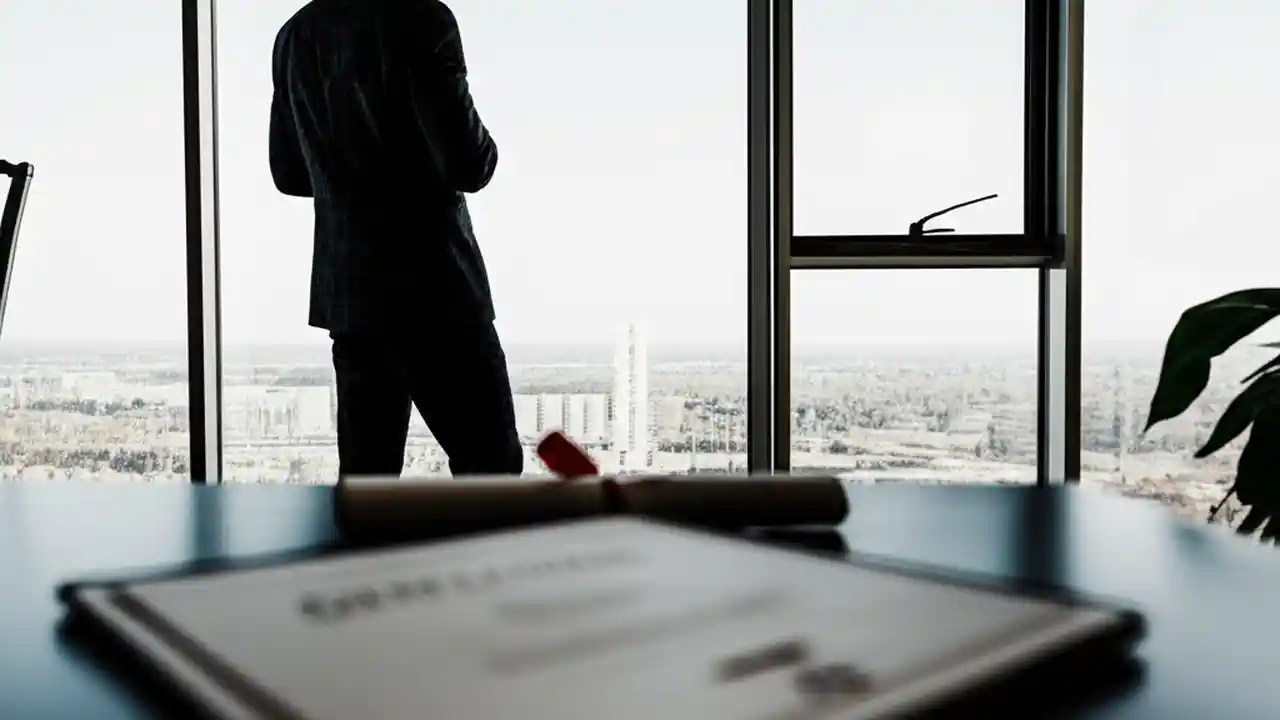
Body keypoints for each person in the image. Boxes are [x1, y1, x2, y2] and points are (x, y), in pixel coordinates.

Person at [269, 0, 522, 479]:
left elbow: (289, 173)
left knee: (368, 480)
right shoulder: (423, 19)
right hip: (436, 290)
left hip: (350, 297)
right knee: (491, 471)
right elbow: (471, 164)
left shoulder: (295, 35)